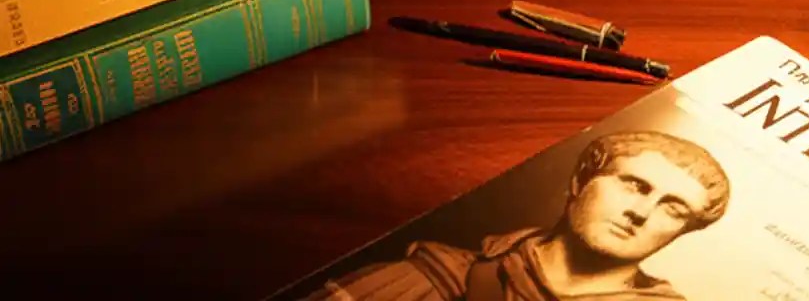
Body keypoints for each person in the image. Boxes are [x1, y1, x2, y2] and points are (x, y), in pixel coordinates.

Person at [304, 130, 731, 301]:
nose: (641, 212)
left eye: (673, 209)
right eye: (634, 185)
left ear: (683, 231)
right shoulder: (423, 282)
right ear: (580, 182)